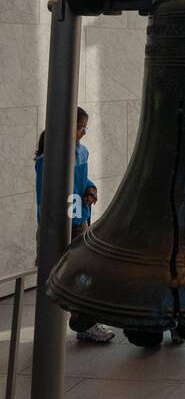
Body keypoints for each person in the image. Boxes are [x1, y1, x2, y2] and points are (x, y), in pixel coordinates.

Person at [34, 107, 114, 344]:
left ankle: (85, 324)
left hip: (79, 221)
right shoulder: (47, 160)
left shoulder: (82, 153)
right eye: (80, 128)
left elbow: (83, 180)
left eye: (84, 129)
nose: (83, 133)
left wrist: (91, 190)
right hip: (59, 225)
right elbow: (47, 196)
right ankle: (57, 325)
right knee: (58, 273)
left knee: (82, 274)